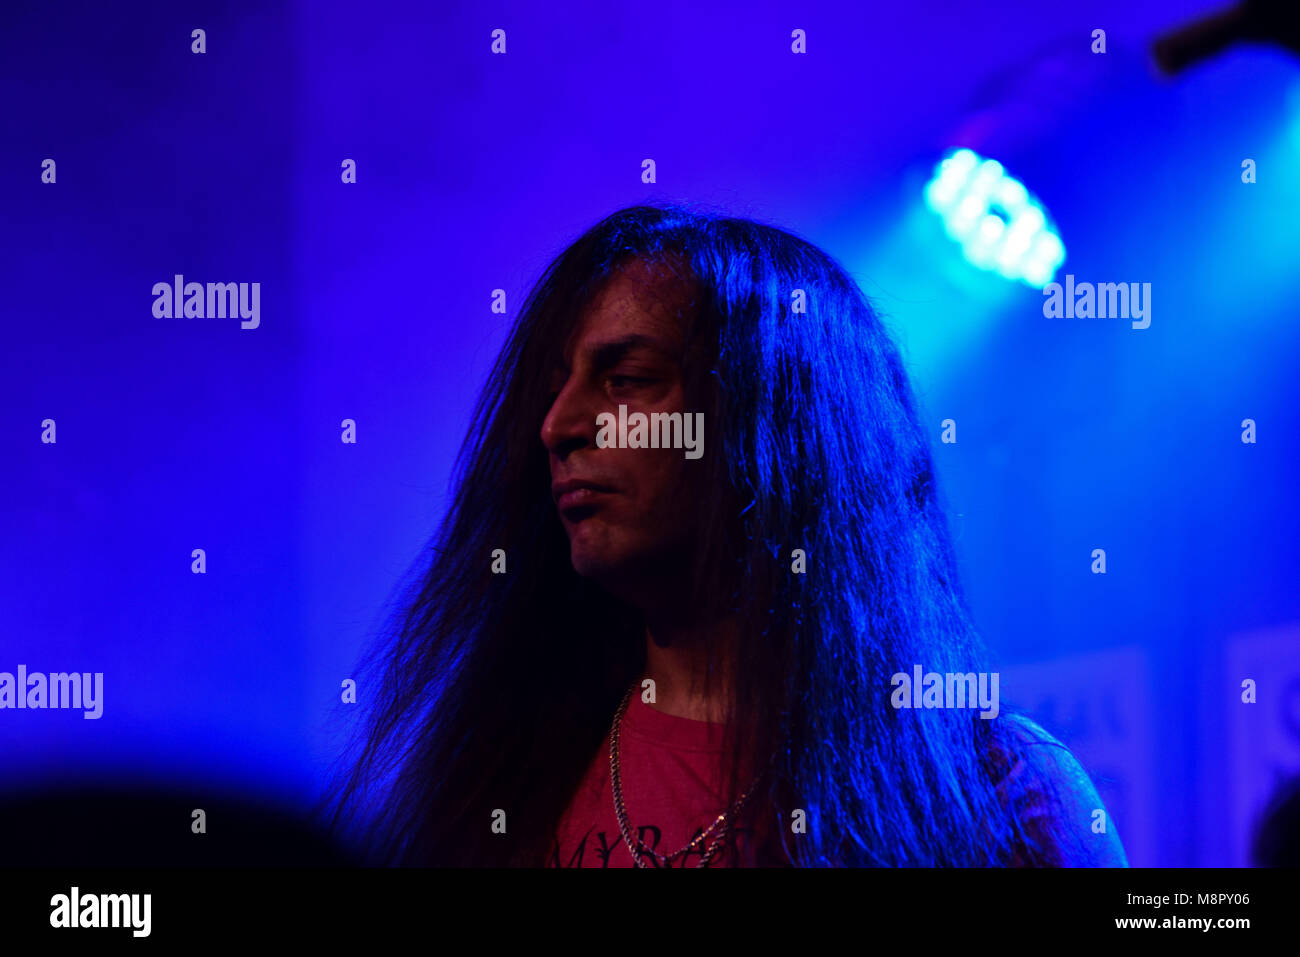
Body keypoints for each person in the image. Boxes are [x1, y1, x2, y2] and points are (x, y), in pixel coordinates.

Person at [323, 203, 1129, 868]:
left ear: (772, 425)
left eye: (626, 380)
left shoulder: (994, 791)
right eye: (556, 385)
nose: (558, 425)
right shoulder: (498, 784)